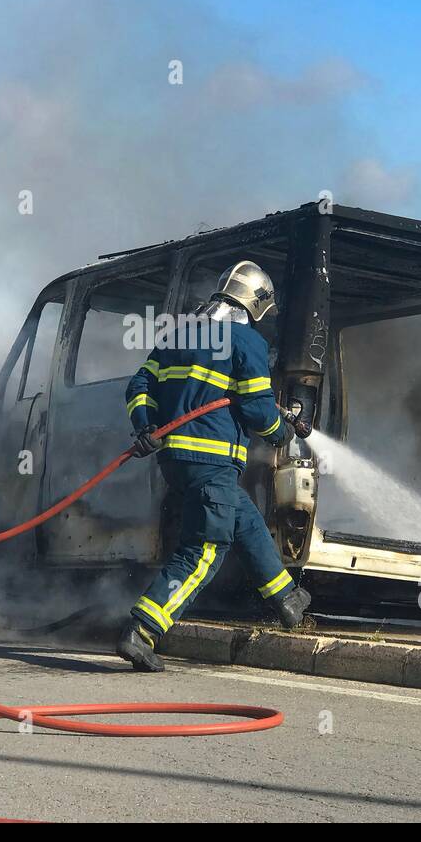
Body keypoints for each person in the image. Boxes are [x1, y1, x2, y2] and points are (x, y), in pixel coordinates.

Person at [116, 261, 311, 672]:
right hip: (213, 459)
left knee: (246, 521)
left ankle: (287, 599)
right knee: (205, 548)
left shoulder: (178, 334)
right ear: (256, 304)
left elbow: (139, 385)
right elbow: (258, 409)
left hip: (176, 462)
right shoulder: (246, 341)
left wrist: (147, 425)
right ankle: (143, 630)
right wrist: (281, 433)